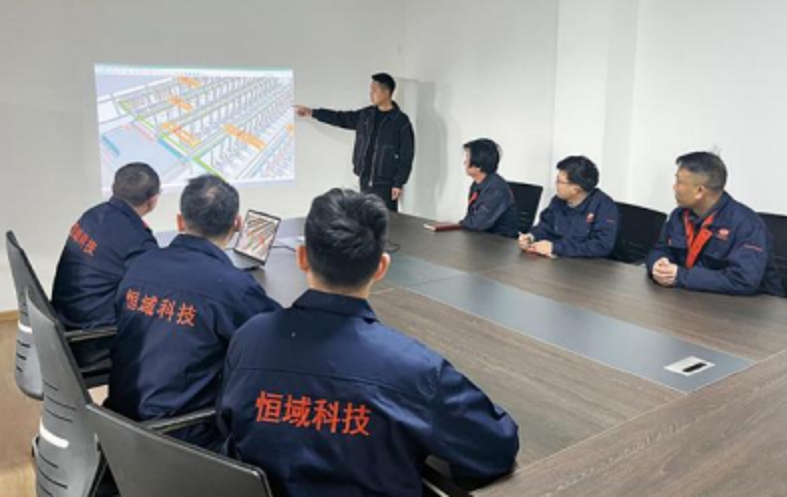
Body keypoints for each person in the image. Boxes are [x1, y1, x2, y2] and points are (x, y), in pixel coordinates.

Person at [218, 189, 519, 497]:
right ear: (381, 267)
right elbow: (495, 448)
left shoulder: (249, 338)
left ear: (302, 257)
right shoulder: (416, 370)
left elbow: (227, 425)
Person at [106, 175, 280, 448]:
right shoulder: (233, 287)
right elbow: (277, 340)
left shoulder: (140, 264)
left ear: (180, 221)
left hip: (117, 419)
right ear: (237, 224)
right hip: (182, 438)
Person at [645, 151, 784, 296]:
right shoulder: (679, 215)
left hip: (751, 306)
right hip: (696, 297)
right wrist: (657, 264)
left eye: (679, 182)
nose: (674, 187)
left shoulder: (747, 224)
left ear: (699, 191)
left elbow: (743, 280)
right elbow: (660, 249)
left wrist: (680, 276)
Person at [52, 162, 160, 330]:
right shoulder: (138, 241)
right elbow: (158, 288)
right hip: (95, 331)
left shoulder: (93, 215)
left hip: (65, 313)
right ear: (152, 201)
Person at [295, 73, 415, 211]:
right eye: (371, 90)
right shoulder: (366, 115)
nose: (371, 94)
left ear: (387, 92)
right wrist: (312, 113)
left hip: (386, 183)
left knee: (387, 219)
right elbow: (340, 118)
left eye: (374, 90)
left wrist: (398, 183)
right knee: (365, 218)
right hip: (364, 179)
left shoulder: (400, 121)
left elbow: (407, 154)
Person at [519, 156, 619, 258]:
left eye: (559, 181)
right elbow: (545, 227)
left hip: (587, 265)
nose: (556, 185)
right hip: (558, 261)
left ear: (575, 189)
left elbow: (601, 246)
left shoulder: (604, 207)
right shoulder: (558, 200)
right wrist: (531, 237)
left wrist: (555, 248)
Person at [459, 138, 519, 237]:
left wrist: (460, 224)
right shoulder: (477, 185)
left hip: (501, 242)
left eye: (468, 158)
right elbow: (471, 218)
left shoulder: (496, 188)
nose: (464, 162)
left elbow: (478, 224)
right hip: (481, 239)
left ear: (478, 165)